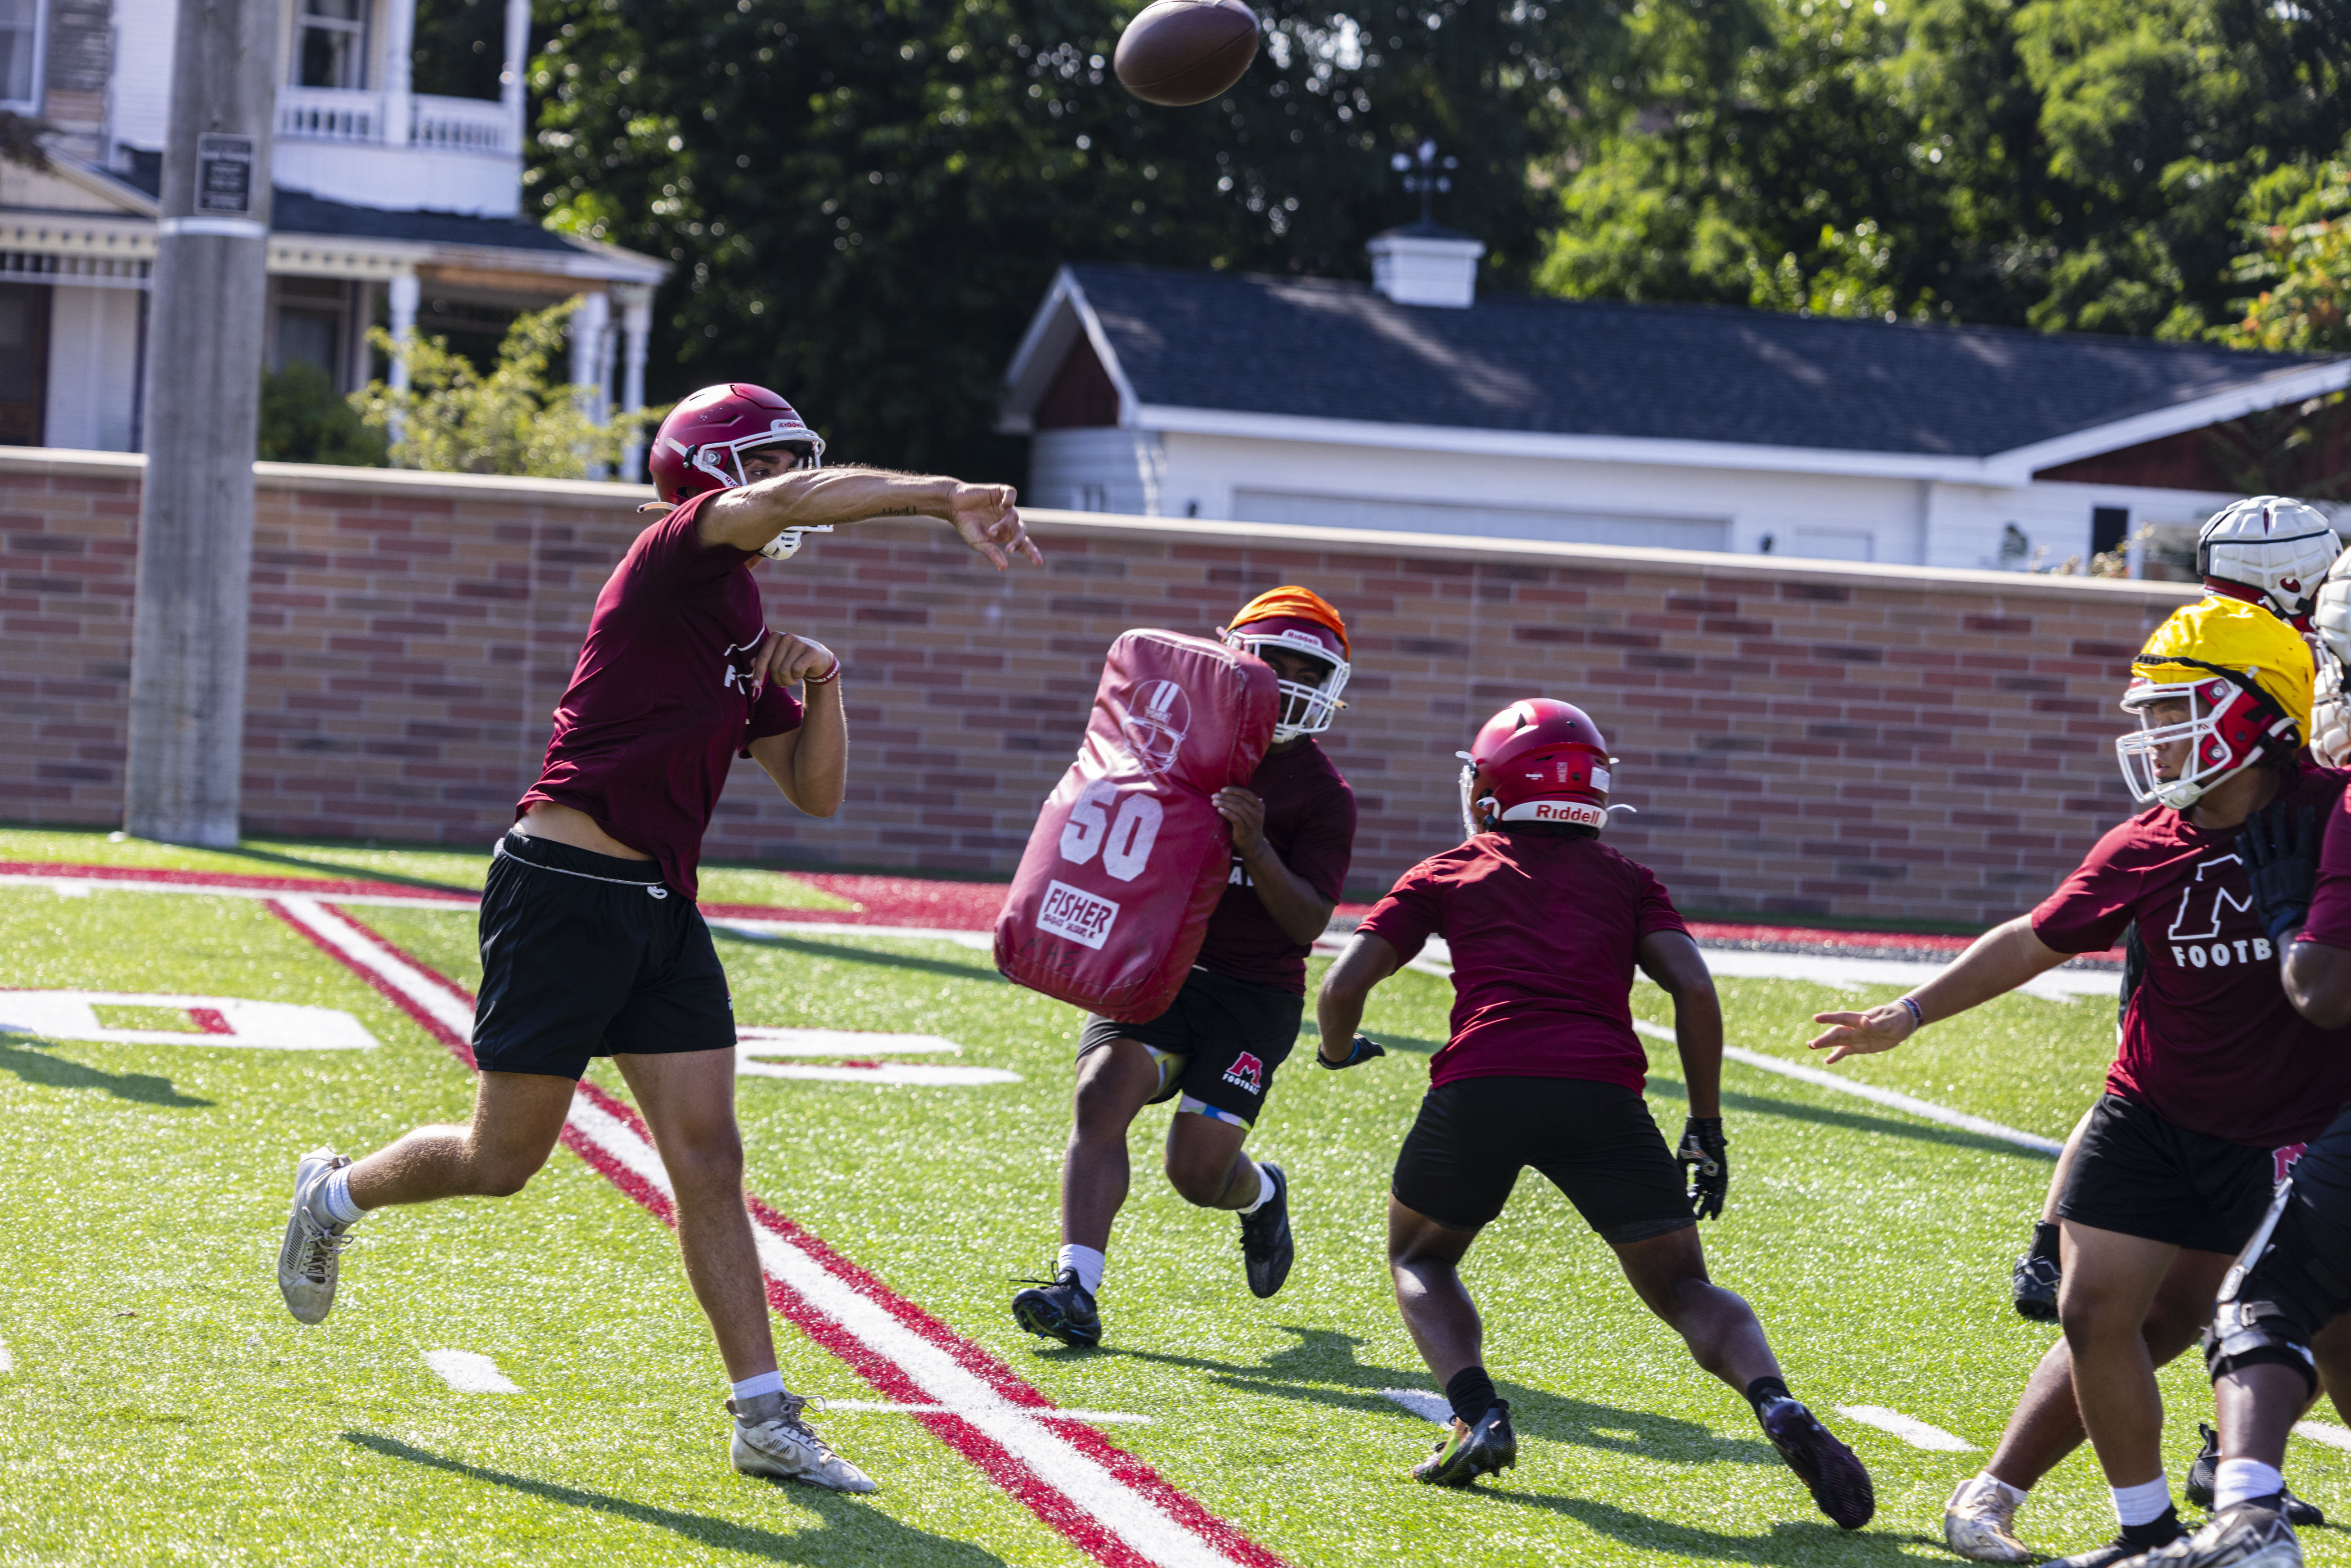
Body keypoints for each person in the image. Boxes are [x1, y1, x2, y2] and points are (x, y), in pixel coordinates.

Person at [274, 382, 1042, 1493]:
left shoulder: (739, 613)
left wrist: (821, 681)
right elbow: (800, 495)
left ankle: (763, 1413)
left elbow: (813, 794)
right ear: (709, 477)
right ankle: (333, 1195)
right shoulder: (677, 551)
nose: (789, 485)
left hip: (658, 908)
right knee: (503, 1161)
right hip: (564, 885)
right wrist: (937, 495)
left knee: (709, 1156)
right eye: (767, 463)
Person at [1808, 596, 2351, 1567]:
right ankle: (2146, 1529)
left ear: (2258, 713)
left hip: (2301, 1126)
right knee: (2093, 1309)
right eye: (2148, 715)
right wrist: (1907, 1014)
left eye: (2176, 710)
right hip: (2155, 1107)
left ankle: (2208, 1512)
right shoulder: (2150, 838)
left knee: (2322, 1339)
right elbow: (2034, 936)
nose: (2154, 736)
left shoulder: (2335, 818)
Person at [1313, 699, 1876, 1528]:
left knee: (1421, 1258)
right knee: (1684, 1286)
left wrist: (1334, 1049)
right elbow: (1693, 988)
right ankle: (1776, 1403)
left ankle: (1480, 1412)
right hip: (1603, 1098)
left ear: (1494, 788)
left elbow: (1342, 987)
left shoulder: (1451, 869)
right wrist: (1707, 1125)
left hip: (1485, 1086)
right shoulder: (1629, 880)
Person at [2012, 498, 2342, 1322]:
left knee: (2155, 1070)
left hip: (2243, 858)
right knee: (2187, 1081)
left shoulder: (2234, 640)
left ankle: (2053, 1245)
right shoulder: (2283, 649)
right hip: (2279, 865)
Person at [1011, 588, 1361, 1349]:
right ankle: (1077, 1286)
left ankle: (1262, 1193)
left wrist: (1256, 846)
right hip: (1158, 966)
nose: (1293, 681)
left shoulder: (1325, 796)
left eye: (1310, 668)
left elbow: (1306, 922)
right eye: (1277, 663)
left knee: (1198, 1174)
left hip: (1254, 992)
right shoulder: (1170, 737)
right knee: (1103, 1093)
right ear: (1235, 659)